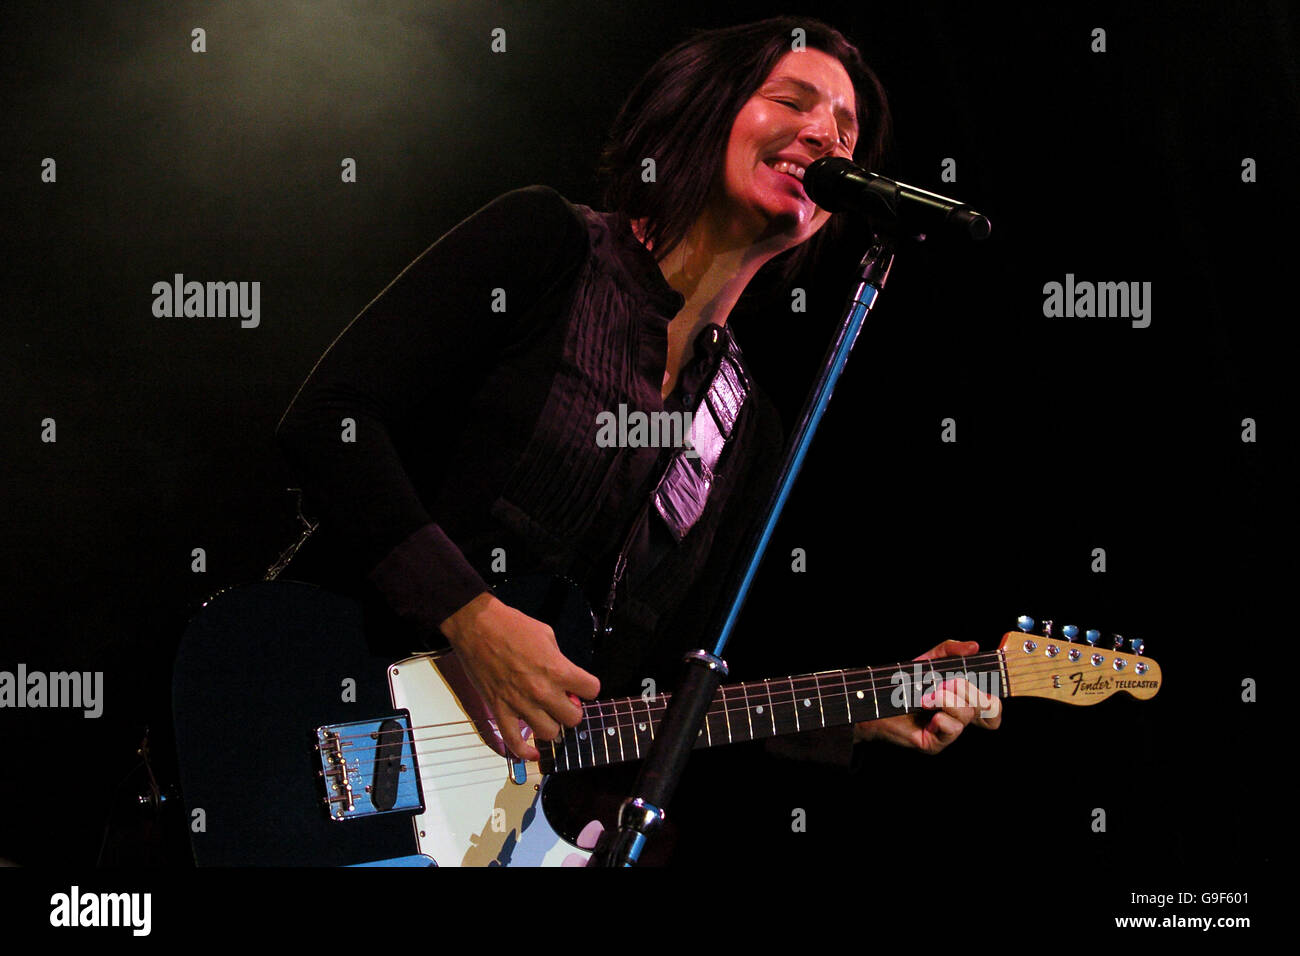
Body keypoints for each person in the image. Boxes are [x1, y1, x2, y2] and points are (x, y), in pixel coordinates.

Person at [275, 17, 999, 788]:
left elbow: (669, 689)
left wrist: (864, 709)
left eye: (847, 133)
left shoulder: (745, 430)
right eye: (792, 101)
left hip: (477, 812)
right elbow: (331, 421)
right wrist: (470, 615)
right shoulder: (546, 244)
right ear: (707, 106)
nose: (826, 136)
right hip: (312, 703)